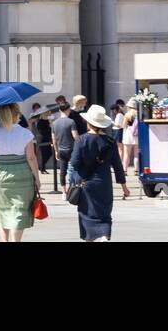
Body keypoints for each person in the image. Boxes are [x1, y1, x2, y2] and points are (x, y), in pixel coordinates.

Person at [66, 104, 131, 241]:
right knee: (104, 214)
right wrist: (124, 187)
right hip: (104, 183)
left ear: (88, 122)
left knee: (86, 213)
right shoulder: (110, 141)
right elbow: (117, 166)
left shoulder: (81, 140)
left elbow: (74, 163)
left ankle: (90, 238)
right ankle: (104, 236)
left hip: (86, 184)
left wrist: (74, 181)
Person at [0, 103, 43, 242]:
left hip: (2, 172)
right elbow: (31, 157)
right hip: (22, 172)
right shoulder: (25, 133)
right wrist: (37, 178)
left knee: (3, 209)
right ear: (17, 115)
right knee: (19, 209)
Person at [51, 103, 80, 187]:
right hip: (72, 149)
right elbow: (75, 136)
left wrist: (56, 151)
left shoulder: (54, 123)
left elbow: (54, 139)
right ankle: (72, 188)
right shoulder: (71, 121)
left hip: (61, 150)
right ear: (68, 110)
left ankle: (64, 192)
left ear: (60, 110)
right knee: (73, 169)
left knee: (62, 171)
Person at [30, 103, 53, 173]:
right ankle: (42, 168)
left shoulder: (46, 120)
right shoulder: (38, 119)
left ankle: (42, 167)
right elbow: (31, 121)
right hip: (41, 138)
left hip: (47, 139)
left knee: (48, 153)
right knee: (42, 154)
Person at [120, 100, 139, 176]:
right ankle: (136, 171)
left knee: (126, 154)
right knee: (136, 155)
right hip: (137, 135)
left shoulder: (127, 114)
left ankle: (125, 170)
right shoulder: (138, 114)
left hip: (128, 134)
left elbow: (124, 126)